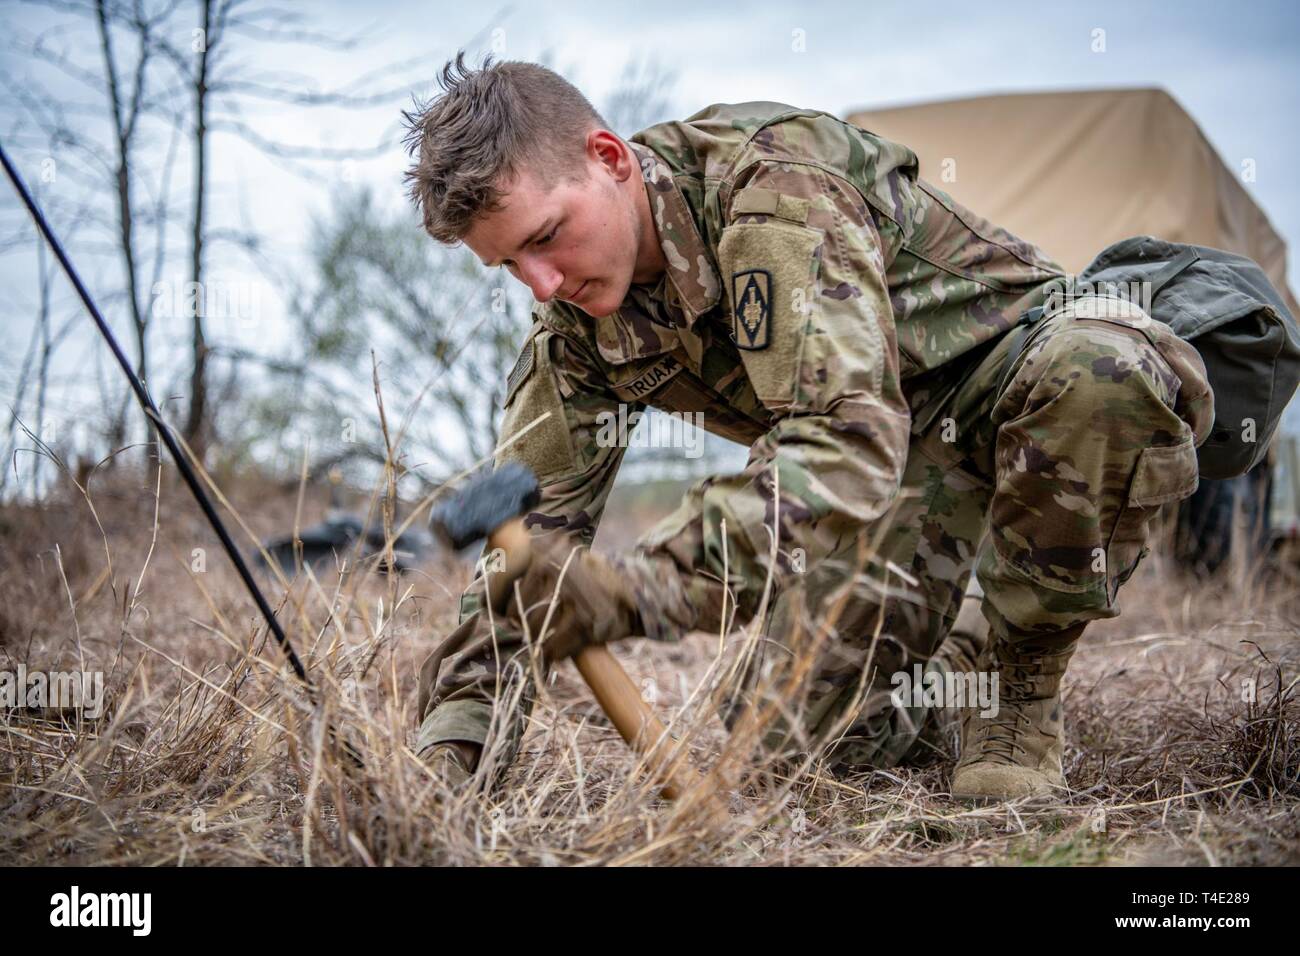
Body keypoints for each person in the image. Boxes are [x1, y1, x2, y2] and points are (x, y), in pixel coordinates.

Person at [401, 54, 1213, 802]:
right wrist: (451, 756)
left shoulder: (771, 191)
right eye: (509, 265)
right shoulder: (575, 334)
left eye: (546, 237)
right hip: (899, 481)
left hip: (1000, 392)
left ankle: (1021, 678)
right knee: (790, 752)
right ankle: (953, 664)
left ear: (609, 159)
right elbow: (522, 561)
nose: (542, 285)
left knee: (1100, 367)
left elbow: (845, 441)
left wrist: (639, 589)